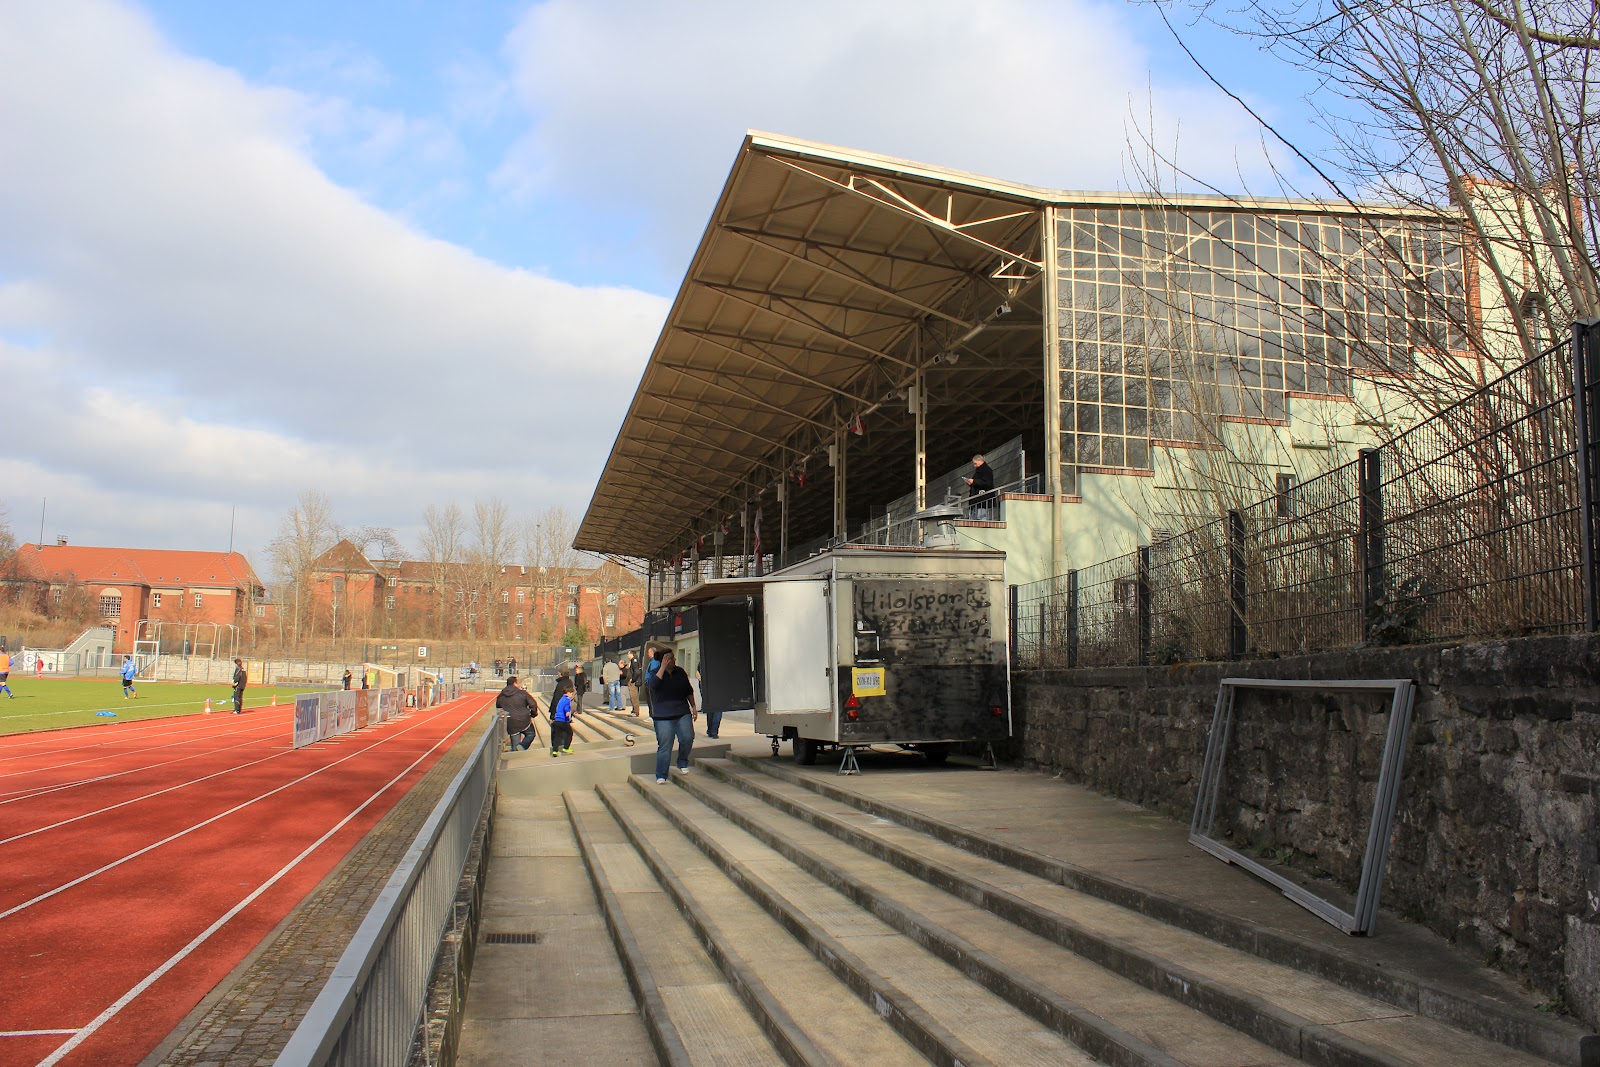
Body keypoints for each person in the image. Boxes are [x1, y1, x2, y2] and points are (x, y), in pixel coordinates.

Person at [646, 649, 696, 783]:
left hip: (682, 711)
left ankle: (682, 761)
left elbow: (688, 690)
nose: (673, 661)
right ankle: (661, 774)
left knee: (687, 737)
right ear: (663, 660)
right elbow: (654, 685)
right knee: (665, 746)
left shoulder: (680, 672)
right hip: (663, 715)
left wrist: (694, 707)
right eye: (670, 658)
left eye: (673, 658)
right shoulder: (654, 673)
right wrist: (662, 667)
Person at [496, 675, 538, 751]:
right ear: (515, 684)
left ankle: (515, 753)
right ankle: (523, 746)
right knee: (531, 734)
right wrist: (532, 714)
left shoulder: (501, 695)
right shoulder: (522, 693)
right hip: (524, 720)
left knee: (515, 741)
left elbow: (498, 707)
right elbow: (533, 704)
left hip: (510, 721)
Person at [964, 453, 996, 520]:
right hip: (977, 500)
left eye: (975, 463)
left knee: (980, 518)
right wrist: (970, 483)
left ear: (980, 461)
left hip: (982, 500)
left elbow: (987, 483)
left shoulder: (986, 470)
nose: (974, 465)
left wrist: (974, 481)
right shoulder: (980, 471)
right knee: (976, 518)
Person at [548, 682, 576, 757]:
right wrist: (568, 715)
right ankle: (566, 748)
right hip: (563, 720)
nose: (572, 696)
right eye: (571, 694)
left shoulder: (561, 699)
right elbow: (566, 708)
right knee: (569, 733)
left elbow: (558, 708)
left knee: (557, 735)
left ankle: (555, 751)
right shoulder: (567, 700)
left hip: (557, 720)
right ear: (567, 693)